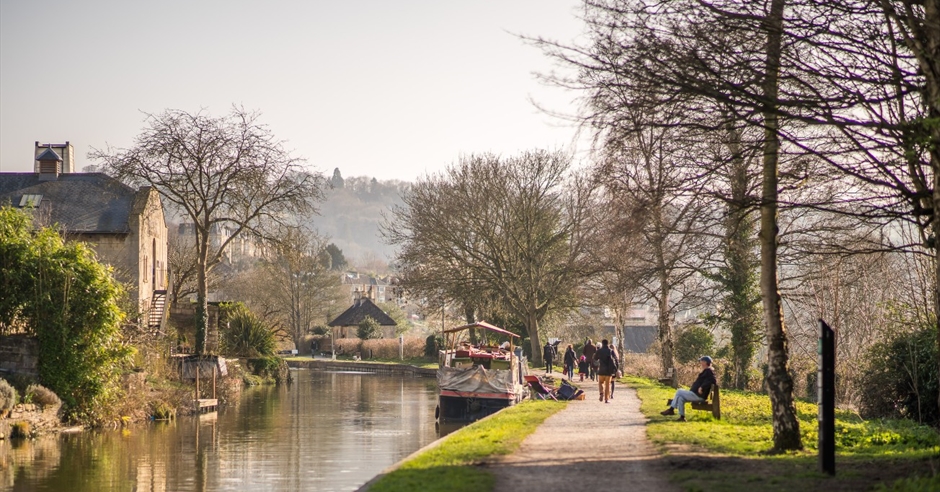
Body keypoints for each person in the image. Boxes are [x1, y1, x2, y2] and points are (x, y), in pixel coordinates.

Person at [661, 356, 717, 421]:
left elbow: (713, 380)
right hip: (696, 394)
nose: (700, 362)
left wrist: (702, 387)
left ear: (705, 362)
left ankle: (671, 409)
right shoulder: (706, 371)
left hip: (699, 396)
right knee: (680, 398)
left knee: (679, 391)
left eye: (701, 361)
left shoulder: (708, 371)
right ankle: (682, 417)